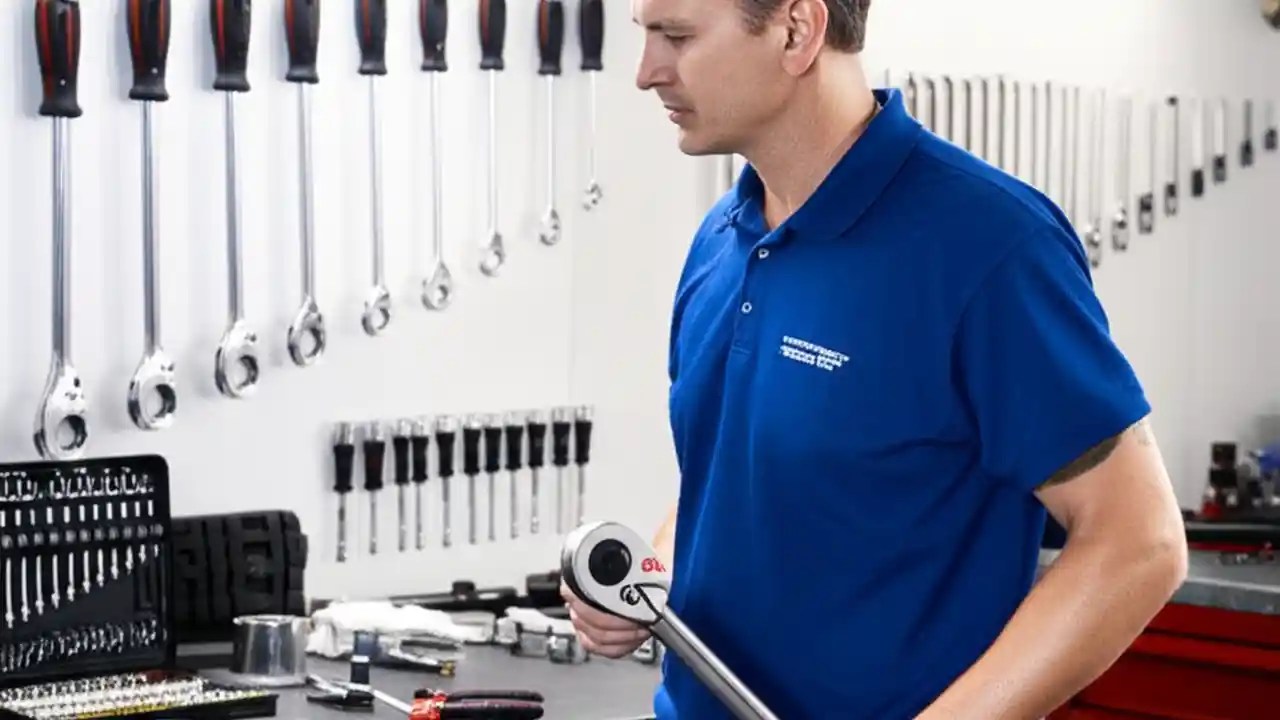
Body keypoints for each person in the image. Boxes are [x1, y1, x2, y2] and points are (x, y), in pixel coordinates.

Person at [562, 0, 1190, 718]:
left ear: (798, 30)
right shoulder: (721, 239)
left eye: (676, 37)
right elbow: (733, 469)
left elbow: (1138, 541)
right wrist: (652, 578)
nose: (646, 73)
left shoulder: (988, 247)